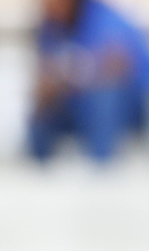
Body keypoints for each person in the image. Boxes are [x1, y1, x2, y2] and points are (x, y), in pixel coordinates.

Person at [29, 0, 149, 163]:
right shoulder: (50, 27)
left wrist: (74, 76)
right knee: (42, 109)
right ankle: (38, 172)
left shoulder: (105, 18)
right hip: (76, 102)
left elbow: (117, 67)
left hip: (129, 106)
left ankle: (102, 174)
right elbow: (45, 72)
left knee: (103, 97)